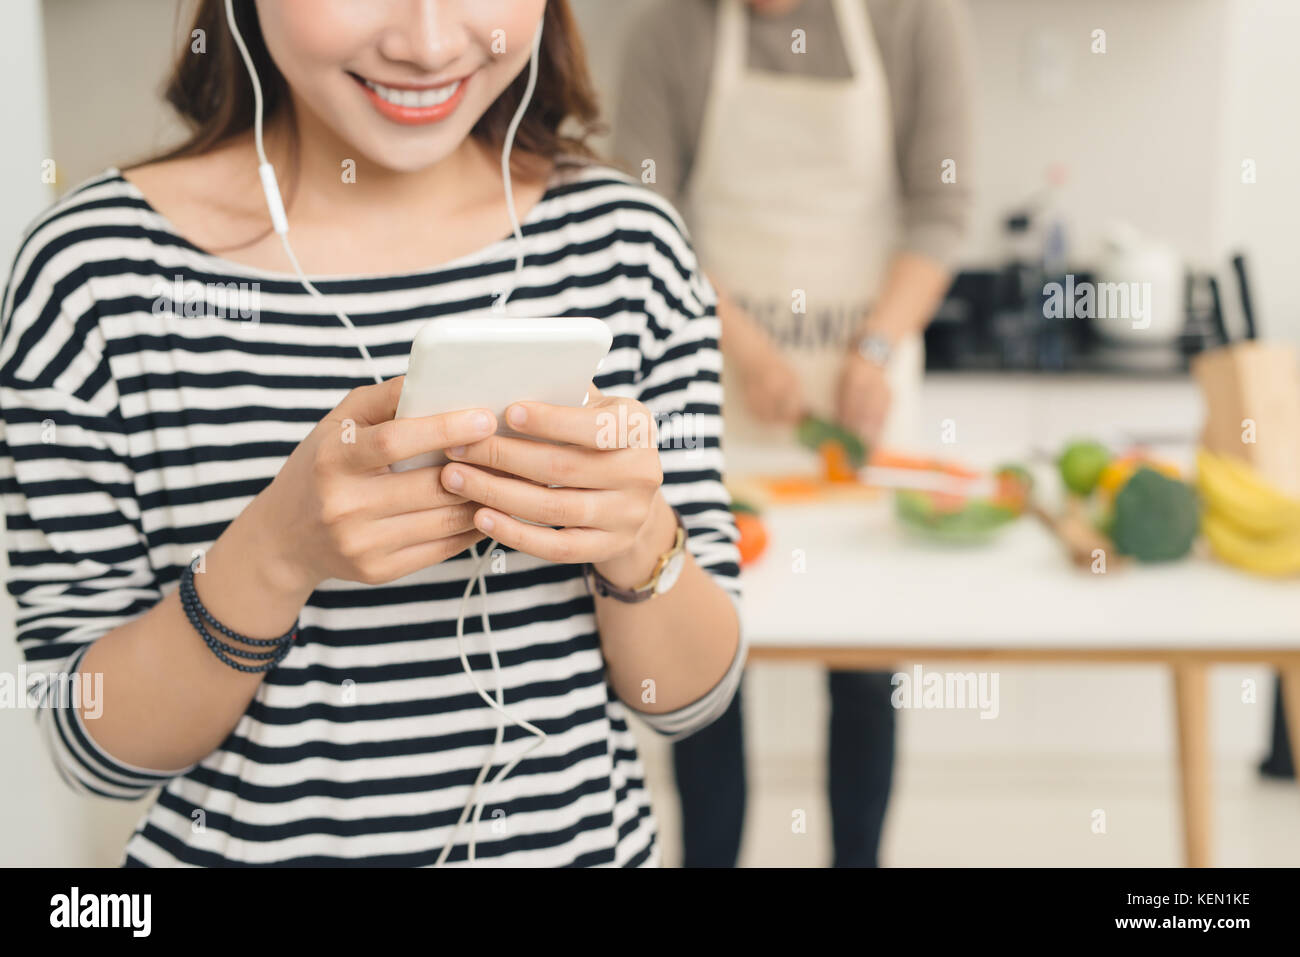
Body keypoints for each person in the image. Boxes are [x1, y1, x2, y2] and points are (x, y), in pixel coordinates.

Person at [0, 0, 745, 867]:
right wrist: (276, 555)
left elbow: (689, 698)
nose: (427, 45)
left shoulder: (630, 249)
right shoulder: (94, 279)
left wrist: (637, 539)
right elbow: (96, 748)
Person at [613, 0, 974, 866]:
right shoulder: (670, 35)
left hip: (866, 408)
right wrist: (734, 344)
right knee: (709, 671)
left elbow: (943, 209)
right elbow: (641, 210)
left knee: (863, 672)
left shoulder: (913, 20)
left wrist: (878, 346)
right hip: (717, 400)